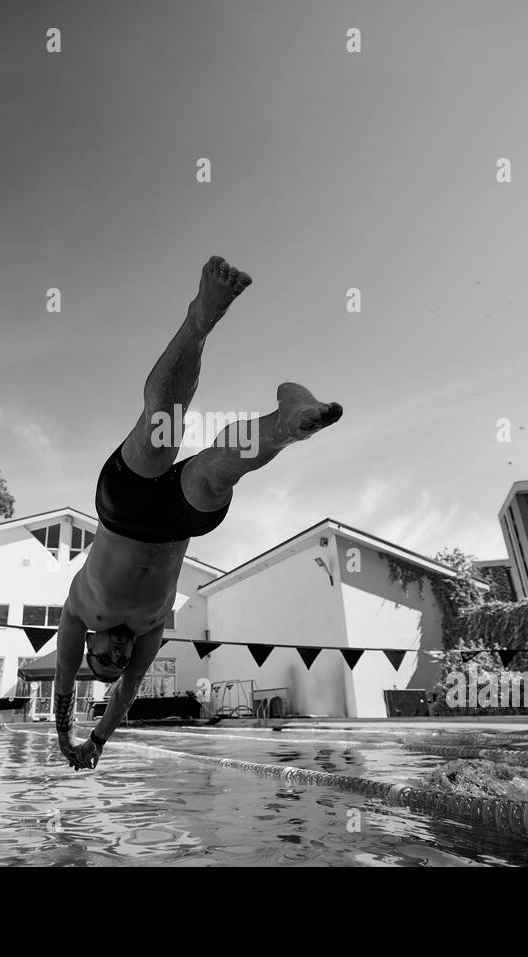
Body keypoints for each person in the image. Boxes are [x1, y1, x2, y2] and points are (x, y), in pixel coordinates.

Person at [53, 256, 342, 770]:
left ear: (87, 649)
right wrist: (101, 741)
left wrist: (68, 739)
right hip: (175, 525)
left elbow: (61, 682)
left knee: (161, 426)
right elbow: (124, 696)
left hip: (124, 508)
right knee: (216, 471)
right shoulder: (146, 634)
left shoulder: (77, 614)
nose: (116, 657)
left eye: (103, 658)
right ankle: (288, 420)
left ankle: (201, 318)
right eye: (117, 664)